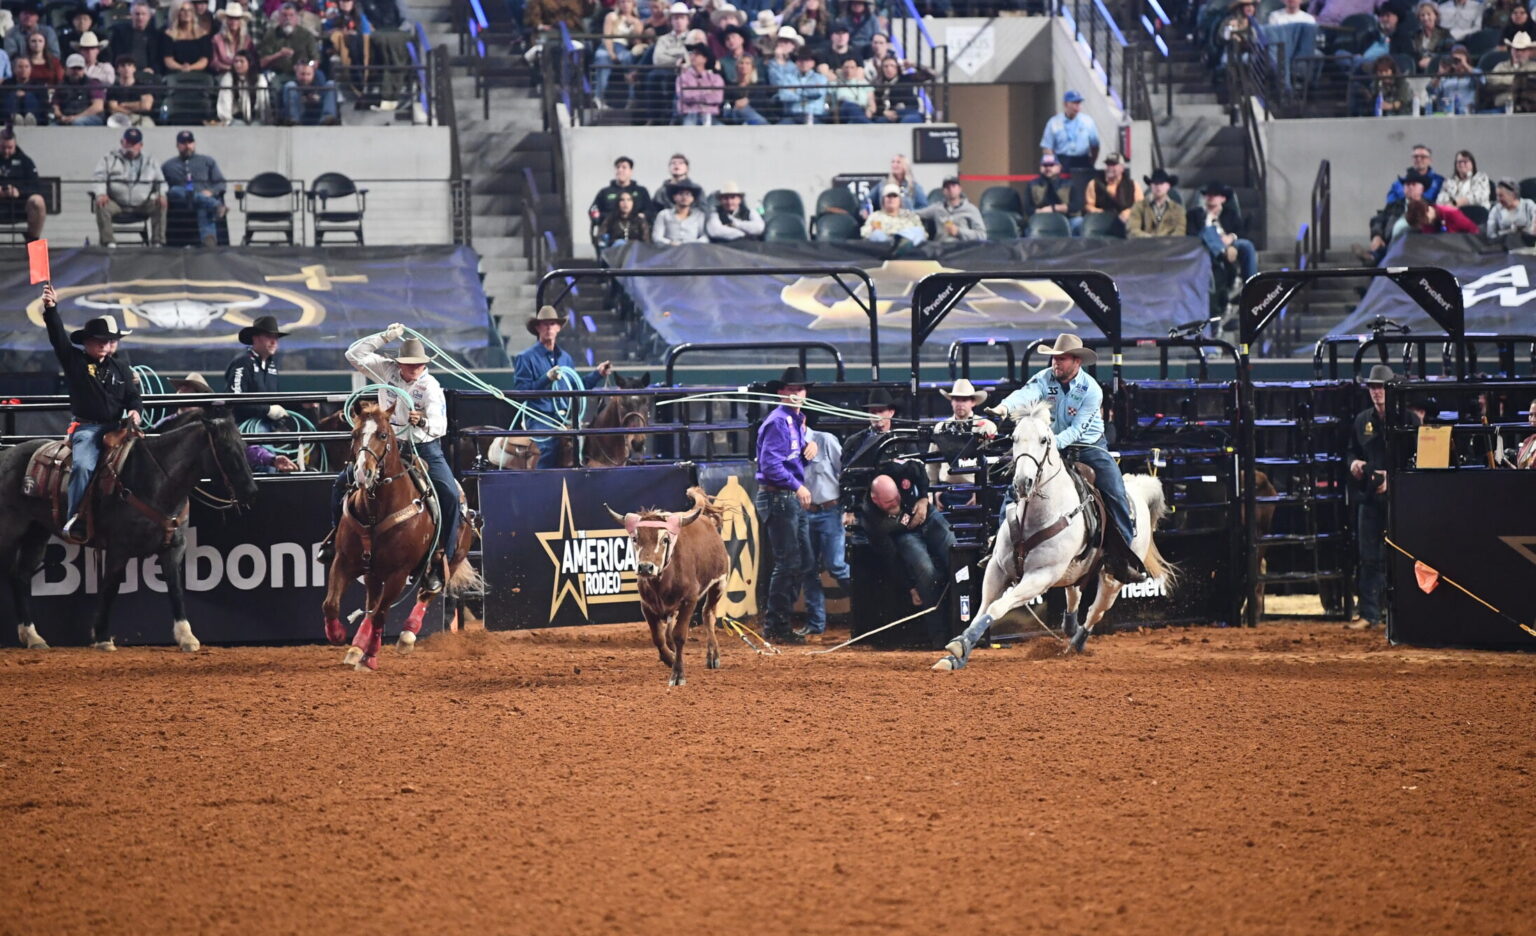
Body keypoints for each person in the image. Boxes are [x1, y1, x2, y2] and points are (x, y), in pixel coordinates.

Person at [992, 333, 1149, 583]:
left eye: (1062, 359)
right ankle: (1000, 546)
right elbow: (1024, 394)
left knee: (1115, 489)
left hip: (1088, 447)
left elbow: (1077, 430)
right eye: (1054, 358)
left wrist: (1052, 445)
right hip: (1050, 445)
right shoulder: (1044, 379)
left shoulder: (1091, 390)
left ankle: (1122, 557)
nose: (1056, 363)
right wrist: (1003, 408)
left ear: (1077, 362)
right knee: (1017, 482)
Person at [327, 325, 462, 591]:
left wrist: (422, 420)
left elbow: (440, 424)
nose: (414, 369)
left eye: (419, 365)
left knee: (449, 494)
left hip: (424, 447)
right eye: (409, 364)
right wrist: (386, 336)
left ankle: (440, 559)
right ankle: (336, 539)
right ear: (399, 363)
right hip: (387, 444)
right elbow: (353, 354)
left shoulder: (431, 387)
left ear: (425, 364)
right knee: (341, 482)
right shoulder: (386, 370)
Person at [41, 282, 143, 539]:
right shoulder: (74, 360)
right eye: (99, 341)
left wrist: (135, 411)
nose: (105, 345)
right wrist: (51, 309)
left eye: (109, 341)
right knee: (83, 466)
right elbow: (58, 337)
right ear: (87, 342)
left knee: (147, 458)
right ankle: (74, 516)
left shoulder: (120, 367)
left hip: (118, 427)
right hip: (87, 429)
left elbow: (133, 397)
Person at [1348, 364, 1419, 629]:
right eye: (1373, 387)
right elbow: (1351, 450)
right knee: (1368, 557)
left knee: (1399, 556)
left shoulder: (1409, 420)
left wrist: (1393, 478)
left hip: (1398, 499)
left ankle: (1397, 614)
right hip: (1369, 495)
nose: (1376, 392)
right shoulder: (1362, 420)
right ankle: (1370, 614)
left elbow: (1416, 459)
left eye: (1380, 387)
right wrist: (1354, 464)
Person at [754, 365, 816, 645]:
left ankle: (779, 621)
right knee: (789, 561)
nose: (797, 394)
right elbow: (770, 464)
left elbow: (786, 461)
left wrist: (806, 456)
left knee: (796, 561)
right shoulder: (779, 421)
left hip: (785, 496)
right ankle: (775, 624)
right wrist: (798, 485)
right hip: (779, 496)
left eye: (800, 389)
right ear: (781, 392)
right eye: (792, 390)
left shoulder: (793, 420)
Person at [511, 305, 613, 467]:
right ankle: (543, 483)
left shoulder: (565, 358)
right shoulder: (526, 358)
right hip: (539, 416)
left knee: (587, 444)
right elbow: (522, 393)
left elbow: (576, 387)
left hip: (562, 416)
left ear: (558, 328)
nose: (549, 328)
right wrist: (546, 378)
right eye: (544, 324)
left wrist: (597, 374)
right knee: (548, 446)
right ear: (537, 328)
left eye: (552, 324)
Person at [859, 459, 956, 615]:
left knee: (955, 554)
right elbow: (891, 557)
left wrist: (923, 498)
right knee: (926, 571)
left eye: (896, 498)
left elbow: (920, 469)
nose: (895, 504)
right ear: (876, 500)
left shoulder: (899, 470)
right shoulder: (872, 520)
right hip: (903, 534)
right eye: (889, 503)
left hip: (926, 513)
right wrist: (910, 587)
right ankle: (939, 632)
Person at [169, 373, 299, 473]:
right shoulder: (167, 424)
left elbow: (241, 448)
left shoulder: (212, 427)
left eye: (191, 392)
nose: (183, 395)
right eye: (182, 390)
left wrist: (272, 459)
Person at [798, 420, 852, 639]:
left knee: (836, 565)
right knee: (808, 568)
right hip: (805, 512)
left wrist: (847, 508)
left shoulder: (826, 440)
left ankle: (868, 609)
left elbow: (845, 473)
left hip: (830, 509)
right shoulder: (788, 445)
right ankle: (815, 623)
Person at [92, 127, 166, 247]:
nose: (130, 147)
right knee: (101, 204)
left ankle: (158, 242)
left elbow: (161, 182)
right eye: (128, 143)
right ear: (122, 142)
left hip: (143, 204)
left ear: (141, 145)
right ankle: (109, 242)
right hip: (117, 204)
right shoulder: (108, 158)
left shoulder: (150, 161)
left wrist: (161, 194)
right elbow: (98, 178)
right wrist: (101, 193)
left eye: (134, 143)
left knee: (161, 203)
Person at [929, 378, 997, 508]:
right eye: (956, 399)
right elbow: (932, 464)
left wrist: (981, 490)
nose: (960, 403)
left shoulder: (986, 427)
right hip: (945, 489)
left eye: (964, 399)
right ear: (951, 402)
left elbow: (991, 464)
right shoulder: (940, 427)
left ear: (972, 402)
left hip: (974, 488)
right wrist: (934, 491)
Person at [161, 130, 226, 248]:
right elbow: (160, 186)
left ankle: (208, 240)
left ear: (194, 144)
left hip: (203, 197)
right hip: (180, 200)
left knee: (202, 203)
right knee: (175, 190)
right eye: (183, 143)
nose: (187, 146)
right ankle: (216, 205)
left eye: (190, 143)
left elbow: (220, 183)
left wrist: (211, 191)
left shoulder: (207, 161)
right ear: (177, 145)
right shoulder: (168, 165)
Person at [225, 314, 291, 429]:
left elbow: (276, 400)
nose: (273, 341)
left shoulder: (271, 365)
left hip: (269, 425)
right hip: (244, 427)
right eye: (268, 336)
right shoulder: (243, 362)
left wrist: (302, 404)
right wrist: (268, 410)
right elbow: (235, 401)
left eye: (275, 337)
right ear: (255, 338)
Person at [1039, 89, 1099, 213]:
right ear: (1066, 104)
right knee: (1062, 190)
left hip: (1082, 159)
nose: (1078, 106)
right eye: (1074, 103)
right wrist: (1054, 164)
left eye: (1079, 103)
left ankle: (1081, 212)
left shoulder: (1087, 121)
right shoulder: (1054, 122)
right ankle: (1063, 211)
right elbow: (1047, 146)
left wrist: (1092, 161)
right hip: (1062, 159)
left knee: (1083, 190)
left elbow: (1095, 145)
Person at [1197, 182, 1258, 290]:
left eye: (1215, 195)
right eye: (1209, 195)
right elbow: (1195, 233)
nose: (1211, 197)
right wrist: (1208, 221)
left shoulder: (1230, 214)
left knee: (1247, 245)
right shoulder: (1196, 214)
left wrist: (1231, 237)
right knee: (1207, 234)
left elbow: (1242, 232)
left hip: (1229, 243)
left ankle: (1251, 287)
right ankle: (1223, 253)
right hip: (1208, 245)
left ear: (1223, 199)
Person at [0, 127, 45, 242]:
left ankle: (33, 241)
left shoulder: (25, 161)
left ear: (15, 145)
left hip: (20, 207)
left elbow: (36, 186)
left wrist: (18, 191)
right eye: (3, 147)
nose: (6, 151)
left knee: (38, 201)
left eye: (10, 148)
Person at [594, 0, 642, 107]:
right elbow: (607, 36)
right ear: (619, 4)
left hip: (623, 48)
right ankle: (599, 98)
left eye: (628, 2)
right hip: (608, 46)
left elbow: (635, 41)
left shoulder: (637, 21)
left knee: (629, 59)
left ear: (633, 4)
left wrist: (635, 27)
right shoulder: (611, 16)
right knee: (602, 57)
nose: (625, 5)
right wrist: (611, 53)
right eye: (623, 2)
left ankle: (631, 99)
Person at [259, 2, 320, 82]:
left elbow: (315, 60)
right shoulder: (271, 34)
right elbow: (262, 62)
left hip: (302, 74)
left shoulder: (306, 35)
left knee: (320, 76)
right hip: (277, 74)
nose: (288, 18)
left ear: (296, 18)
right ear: (279, 18)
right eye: (284, 15)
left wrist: (307, 66)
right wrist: (279, 54)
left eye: (291, 15)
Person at [1082, 153, 1140, 235]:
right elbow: (1088, 206)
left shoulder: (1133, 185)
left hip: (1125, 223)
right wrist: (1103, 213)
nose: (1110, 168)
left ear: (1122, 168)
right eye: (1108, 165)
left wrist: (1128, 212)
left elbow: (1140, 207)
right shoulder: (1095, 183)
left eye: (1113, 165)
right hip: (1100, 223)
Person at [842, 387, 898, 470]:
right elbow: (846, 471)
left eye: (880, 411)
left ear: (891, 413)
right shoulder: (854, 442)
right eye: (873, 412)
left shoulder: (903, 440)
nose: (876, 415)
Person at [589, 156, 650, 230]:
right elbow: (593, 210)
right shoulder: (605, 192)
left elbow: (651, 211)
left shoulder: (641, 191)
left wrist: (642, 216)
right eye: (618, 167)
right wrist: (605, 218)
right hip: (610, 232)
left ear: (631, 171)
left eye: (624, 167)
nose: (620, 170)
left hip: (636, 233)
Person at [107, 1, 168, 75]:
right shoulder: (120, 32)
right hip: (125, 73)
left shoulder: (157, 35)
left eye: (143, 14)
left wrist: (153, 69)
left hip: (148, 74)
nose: (140, 17)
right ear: (131, 15)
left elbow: (160, 59)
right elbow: (116, 55)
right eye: (137, 14)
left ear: (149, 16)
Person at [918, 175, 984, 243]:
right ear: (943, 191)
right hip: (941, 248)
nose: (950, 189)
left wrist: (959, 231)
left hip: (962, 248)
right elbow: (916, 213)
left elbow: (982, 235)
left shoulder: (971, 209)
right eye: (947, 187)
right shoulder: (937, 208)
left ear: (959, 189)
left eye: (953, 186)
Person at [773, 45, 828, 123]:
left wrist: (796, 90)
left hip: (815, 116)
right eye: (801, 60)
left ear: (813, 63)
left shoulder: (821, 78)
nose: (804, 63)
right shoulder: (787, 78)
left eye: (807, 60)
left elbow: (817, 93)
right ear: (797, 62)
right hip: (792, 116)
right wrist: (807, 92)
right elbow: (784, 96)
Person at [861, 182, 926, 247]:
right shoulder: (875, 216)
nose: (891, 199)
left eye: (894, 196)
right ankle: (893, 245)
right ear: (883, 200)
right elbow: (864, 233)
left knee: (918, 231)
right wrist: (873, 230)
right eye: (889, 196)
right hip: (884, 245)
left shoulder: (910, 215)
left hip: (907, 246)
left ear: (899, 200)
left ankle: (899, 240)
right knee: (877, 234)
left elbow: (923, 234)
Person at [1127, 168, 1186, 238]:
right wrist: (1151, 239)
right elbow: (1133, 230)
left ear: (1168, 186)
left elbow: (1180, 232)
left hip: (1170, 247)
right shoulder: (1139, 207)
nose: (1158, 186)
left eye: (1161, 183)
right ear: (1151, 186)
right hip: (1144, 246)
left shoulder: (1178, 210)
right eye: (1155, 183)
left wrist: (1165, 241)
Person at [51, 53, 106, 125]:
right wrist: (61, 117)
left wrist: (76, 117)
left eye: (79, 68)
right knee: (52, 126)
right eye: (73, 68)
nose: (76, 71)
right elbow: (55, 106)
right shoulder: (61, 85)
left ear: (84, 69)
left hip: (90, 117)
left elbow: (98, 107)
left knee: (77, 122)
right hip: (66, 117)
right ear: (66, 69)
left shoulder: (93, 83)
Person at [217, 48, 269, 125]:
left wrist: (264, 120)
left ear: (249, 63)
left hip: (255, 118)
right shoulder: (228, 78)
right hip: (235, 119)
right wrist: (227, 121)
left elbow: (263, 102)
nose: (238, 64)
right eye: (236, 61)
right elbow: (225, 101)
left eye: (241, 61)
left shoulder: (259, 78)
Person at [675, 42, 723, 124]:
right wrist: (707, 92)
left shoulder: (715, 78)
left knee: (723, 131)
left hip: (710, 115)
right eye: (692, 54)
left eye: (697, 54)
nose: (693, 56)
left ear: (705, 59)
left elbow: (717, 98)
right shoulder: (682, 77)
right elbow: (684, 96)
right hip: (689, 114)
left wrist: (695, 94)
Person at [1487, 32, 1536, 112]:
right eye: (1516, 49)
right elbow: (1492, 80)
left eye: (1522, 50)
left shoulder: (1534, 67)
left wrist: (1509, 82)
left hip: (1530, 105)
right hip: (1503, 104)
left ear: (1529, 52)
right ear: (1511, 50)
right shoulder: (1501, 66)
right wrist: (1517, 82)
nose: (1519, 53)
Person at [1426, 43, 1480, 113]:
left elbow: (1482, 81)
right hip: (1447, 114)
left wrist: (1465, 65)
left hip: (1466, 114)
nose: (1458, 62)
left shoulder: (1472, 77)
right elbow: (1431, 90)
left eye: (1459, 60)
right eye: (1455, 60)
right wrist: (1440, 73)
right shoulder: (1445, 79)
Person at [282, 59, 338, 125]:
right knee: (290, 85)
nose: (305, 78)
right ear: (296, 73)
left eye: (308, 74)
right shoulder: (291, 83)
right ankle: (294, 120)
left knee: (331, 84)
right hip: (299, 113)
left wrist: (316, 98)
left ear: (313, 74)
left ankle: (328, 118)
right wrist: (303, 99)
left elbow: (323, 96)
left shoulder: (320, 81)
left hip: (319, 113)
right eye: (302, 74)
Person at [162, 0, 212, 74]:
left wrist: (190, 68)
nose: (187, 13)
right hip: (175, 74)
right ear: (177, 13)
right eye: (183, 10)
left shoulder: (203, 35)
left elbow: (204, 60)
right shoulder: (169, 35)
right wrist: (181, 68)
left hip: (199, 74)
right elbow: (168, 60)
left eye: (189, 10)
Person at [652, 178, 707, 244]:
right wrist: (670, 242)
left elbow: (705, 237)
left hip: (692, 250)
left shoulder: (699, 215)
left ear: (693, 198)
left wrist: (691, 243)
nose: (684, 197)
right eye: (681, 194)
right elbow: (657, 237)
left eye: (688, 194)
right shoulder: (663, 214)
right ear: (674, 197)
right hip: (669, 250)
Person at [107, 55, 157, 126]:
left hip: (142, 119)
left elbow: (146, 106)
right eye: (123, 66)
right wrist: (133, 109)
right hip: (119, 120)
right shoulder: (113, 88)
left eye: (129, 65)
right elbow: (113, 108)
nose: (126, 68)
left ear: (134, 68)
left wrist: (123, 105)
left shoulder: (143, 86)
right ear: (117, 69)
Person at [2, 58, 48, 126]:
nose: (23, 70)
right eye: (20, 67)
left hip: (36, 115)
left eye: (26, 67)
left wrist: (25, 95)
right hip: (11, 114)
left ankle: (30, 119)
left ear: (30, 69)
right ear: (14, 69)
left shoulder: (39, 85)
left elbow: (44, 102)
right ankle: (14, 119)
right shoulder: (7, 84)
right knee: (12, 96)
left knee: (29, 97)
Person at [211, 3, 256, 74]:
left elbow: (252, 60)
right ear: (226, 20)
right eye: (230, 18)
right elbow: (214, 62)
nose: (233, 21)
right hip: (223, 74)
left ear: (241, 21)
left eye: (237, 18)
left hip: (244, 74)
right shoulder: (217, 39)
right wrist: (230, 68)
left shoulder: (247, 40)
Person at [1023, 154, 1071, 218]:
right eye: (1045, 165)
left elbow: (1076, 206)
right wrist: (1041, 211)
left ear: (1059, 167)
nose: (1048, 168)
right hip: (1039, 218)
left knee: (1078, 221)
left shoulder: (1068, 184)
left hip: (1065, 218)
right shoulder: (1032, 184)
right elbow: (1027, 208)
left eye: (1051, 165)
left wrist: (1054, 208)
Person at [649, 151, 696, 217]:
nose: (676, 165)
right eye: (673, 163)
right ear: (669, 168)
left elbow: (701, 210)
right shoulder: (661, 191)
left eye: (680, 163)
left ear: (687, 168)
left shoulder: (695, 189)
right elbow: (654, 211)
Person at [1409, 2, 1449, 72]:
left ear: (1435, 16)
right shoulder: (1414, 36)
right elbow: (1411, 55)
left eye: (1428, 14)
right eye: (1422, 15)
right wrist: (1419, 62)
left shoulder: (1445, 33)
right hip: (1419, 71)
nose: (1425, 18)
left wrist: (1432, 60)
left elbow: (1449, 53)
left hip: (1440, 70)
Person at [1514, 398, 1536, 469]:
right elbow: (1520, 470)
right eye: (1531, 415)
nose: (1533, 419)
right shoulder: (1528, 440)